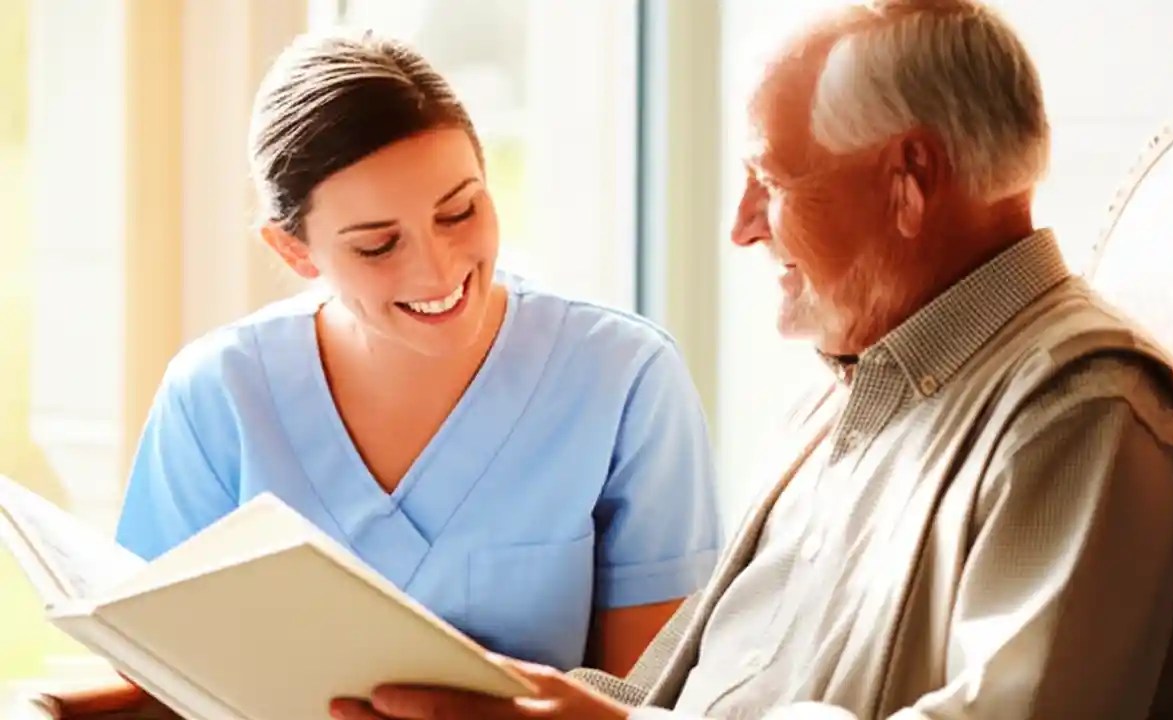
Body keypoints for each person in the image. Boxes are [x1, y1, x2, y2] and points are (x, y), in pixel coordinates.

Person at [328, 1, 1173, 719]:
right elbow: (676, 702)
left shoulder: (1082, 415)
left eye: (771, 178)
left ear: (908, 180)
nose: (742, 224)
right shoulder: (838, 402)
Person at [114, 29, 722, 679]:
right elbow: (157, 674)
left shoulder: (623, 378)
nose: (436, 270)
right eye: (378, 245)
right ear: (293, 250)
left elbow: (654, 697)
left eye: (459, 211)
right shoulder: (216, 396)